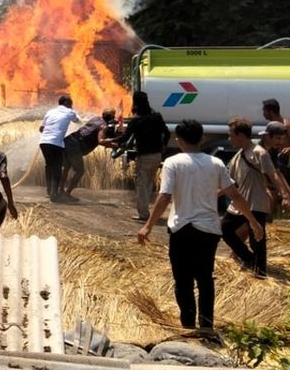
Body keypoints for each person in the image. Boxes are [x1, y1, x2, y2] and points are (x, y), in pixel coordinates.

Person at [138, 119, 265, 332]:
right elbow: (235, 195)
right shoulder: (215, 163)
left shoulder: (173, 162)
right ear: (201, 139)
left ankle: (188, 325)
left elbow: (165, 196)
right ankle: (207, 326)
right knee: (205, 279)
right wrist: (252, 221)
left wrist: (148, 225)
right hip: (208, 231)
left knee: (183, 280)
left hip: (182, 229)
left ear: (179, 140)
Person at [221, 117, 290, 278]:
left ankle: (260, 272)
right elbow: (230, 183)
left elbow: (273, 175)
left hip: (257, 203)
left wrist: (285, 194)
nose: (229, 138)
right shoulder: (239, 155)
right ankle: (250, 259)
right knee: (225, 230)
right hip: (240, 204)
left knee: (257, 240)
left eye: (231, 135)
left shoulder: (260, 153)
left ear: (241, 136)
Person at [122, 91, 169, 222]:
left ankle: (143, 215)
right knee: (148, 183)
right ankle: (147, 211)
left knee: (141, 185)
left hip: (144, 156)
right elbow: (166, 133)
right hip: (157, 155)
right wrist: (163, 146)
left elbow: (124, 138)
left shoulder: (136, 120)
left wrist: (109, 140)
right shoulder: (157, 116)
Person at [61, 108, 118, 200]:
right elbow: (101, 141)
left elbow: (93, 135)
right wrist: (116, 140)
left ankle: (59, 191)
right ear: (111, 117)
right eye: (113, 116)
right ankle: (67, 194)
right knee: (80, 171)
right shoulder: (104, 126)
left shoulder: (95, 118)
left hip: (69, 140)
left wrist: (111, 145)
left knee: (66, 167)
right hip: (76, 146)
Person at [38, 95, 80, 202]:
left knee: (49, 165)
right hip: (56, 144)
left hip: (43, 143)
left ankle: (49, 191)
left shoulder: (50, 112)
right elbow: (77, 121)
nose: (71, 106)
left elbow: (41, 128)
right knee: (57, 168)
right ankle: (54, 194)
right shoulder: (70, 112)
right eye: (71, 104)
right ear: (66, 103)